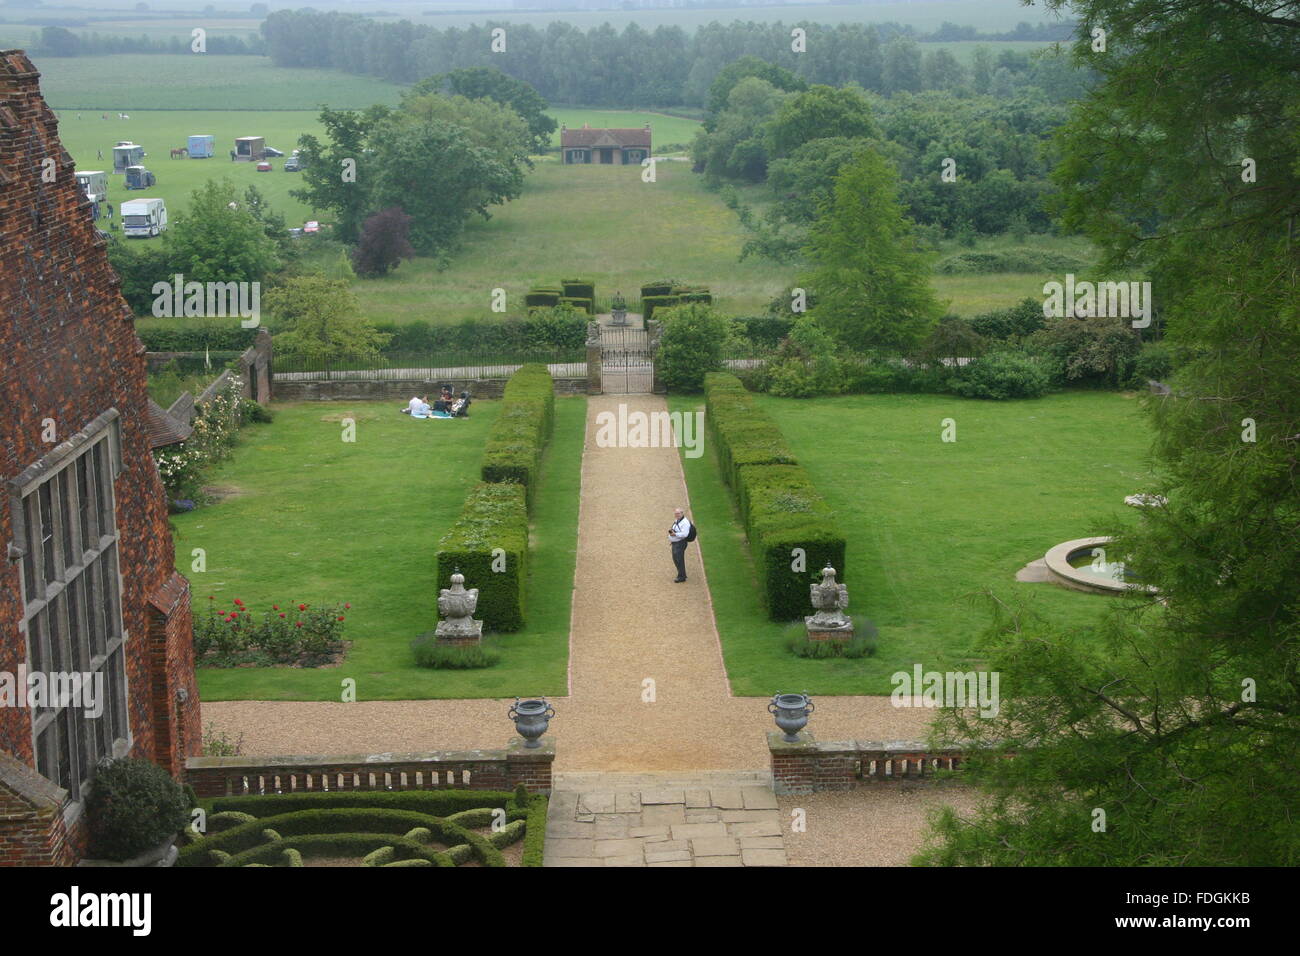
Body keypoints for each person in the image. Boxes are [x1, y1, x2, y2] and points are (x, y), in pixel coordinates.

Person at [668, 507, 693, 583]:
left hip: (680, 543)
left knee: (679, 559)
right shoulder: (677, 520)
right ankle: (681, 574)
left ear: (682, 513)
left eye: (678, 513)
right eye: (676, 513)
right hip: (676, 543)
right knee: (675, 559)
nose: (677, 515)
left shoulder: (685, 522)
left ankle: (681, 576)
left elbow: (685, 534)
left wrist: (674, 534)